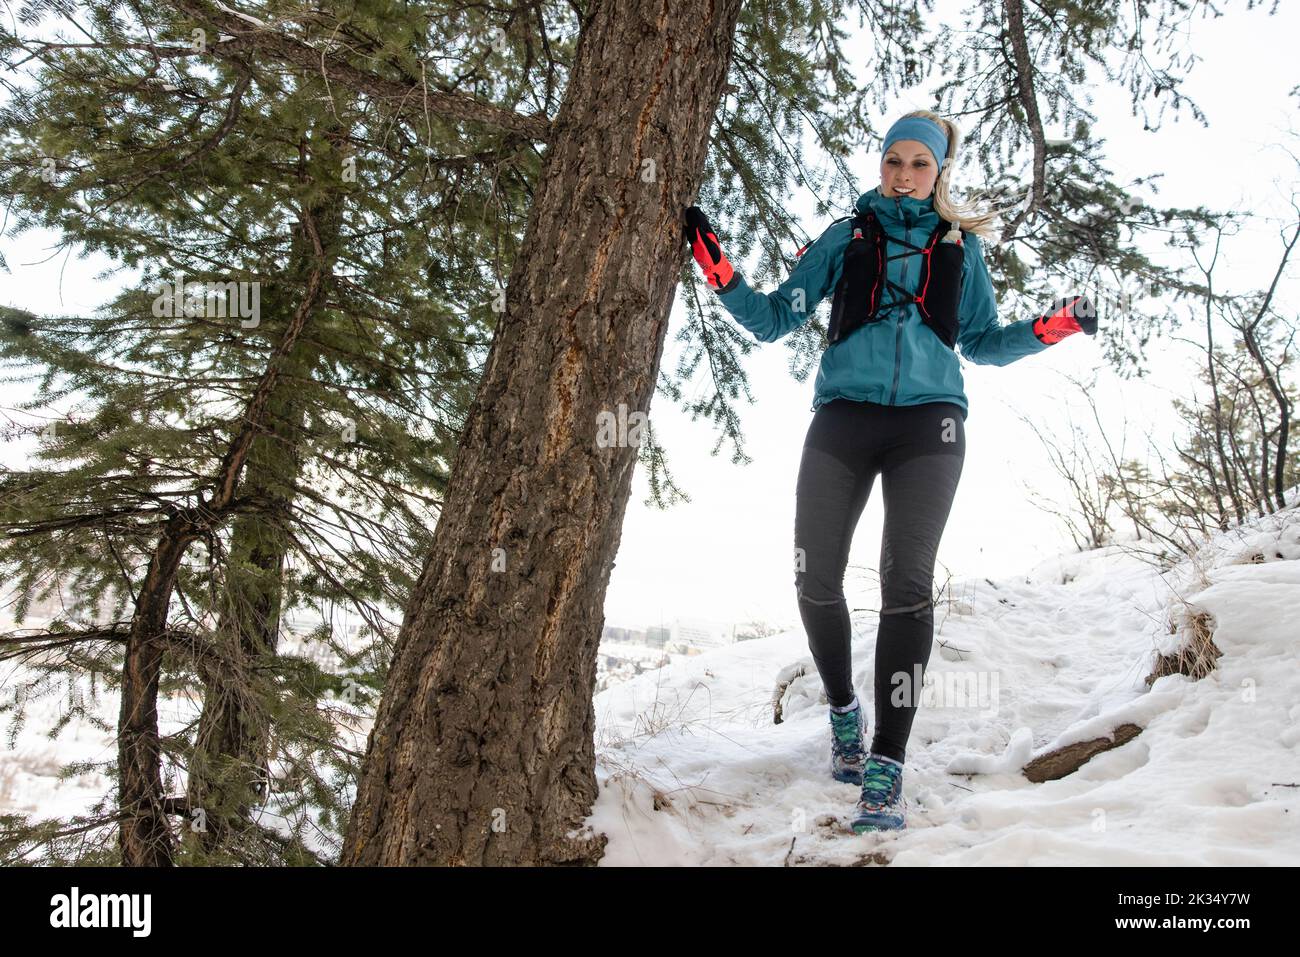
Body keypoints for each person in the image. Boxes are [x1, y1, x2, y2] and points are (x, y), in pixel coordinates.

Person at [683, 109, 1097, 834]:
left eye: (920, 164)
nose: (904, 174)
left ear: (940, 173)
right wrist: (720, 270)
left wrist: (1051, 326)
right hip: (843, 415)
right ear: (881, 162)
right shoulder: (847, 237)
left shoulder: (960, 251)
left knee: (907, 583)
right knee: (815, 575)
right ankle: (844, 709)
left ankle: (886, 764)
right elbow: (779, 317)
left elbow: (985, 345)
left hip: (930, 425)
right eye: (894, 160)